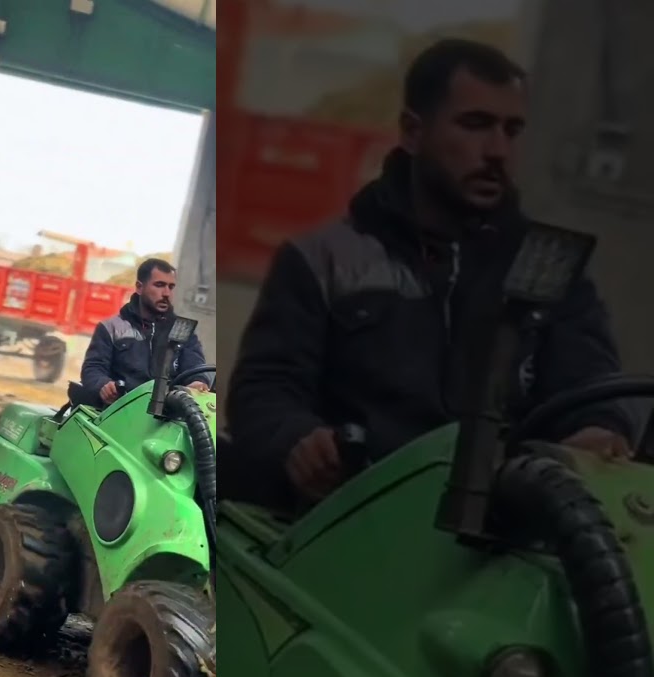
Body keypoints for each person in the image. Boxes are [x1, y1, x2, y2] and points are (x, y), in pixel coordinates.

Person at [226, 38, 633, 509]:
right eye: (476, 124)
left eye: (512, 129)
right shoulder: (323, 258)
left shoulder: (548, 267)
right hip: (349, 526)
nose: (498, 150)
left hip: (502, 533)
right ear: (413, 132)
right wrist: (297, 439)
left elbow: (592, 385)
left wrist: (601, 430)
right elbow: (263, 391)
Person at [81, 258, 211, 404]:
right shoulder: (111, 327)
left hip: (166, 415)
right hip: (119, 412)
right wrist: (102, 385)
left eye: (171, 287)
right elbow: (92, 368)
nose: (166, 293)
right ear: (139, 287)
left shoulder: (182, 330)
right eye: (159, 285)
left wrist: (198, 382)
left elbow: (195, 367)